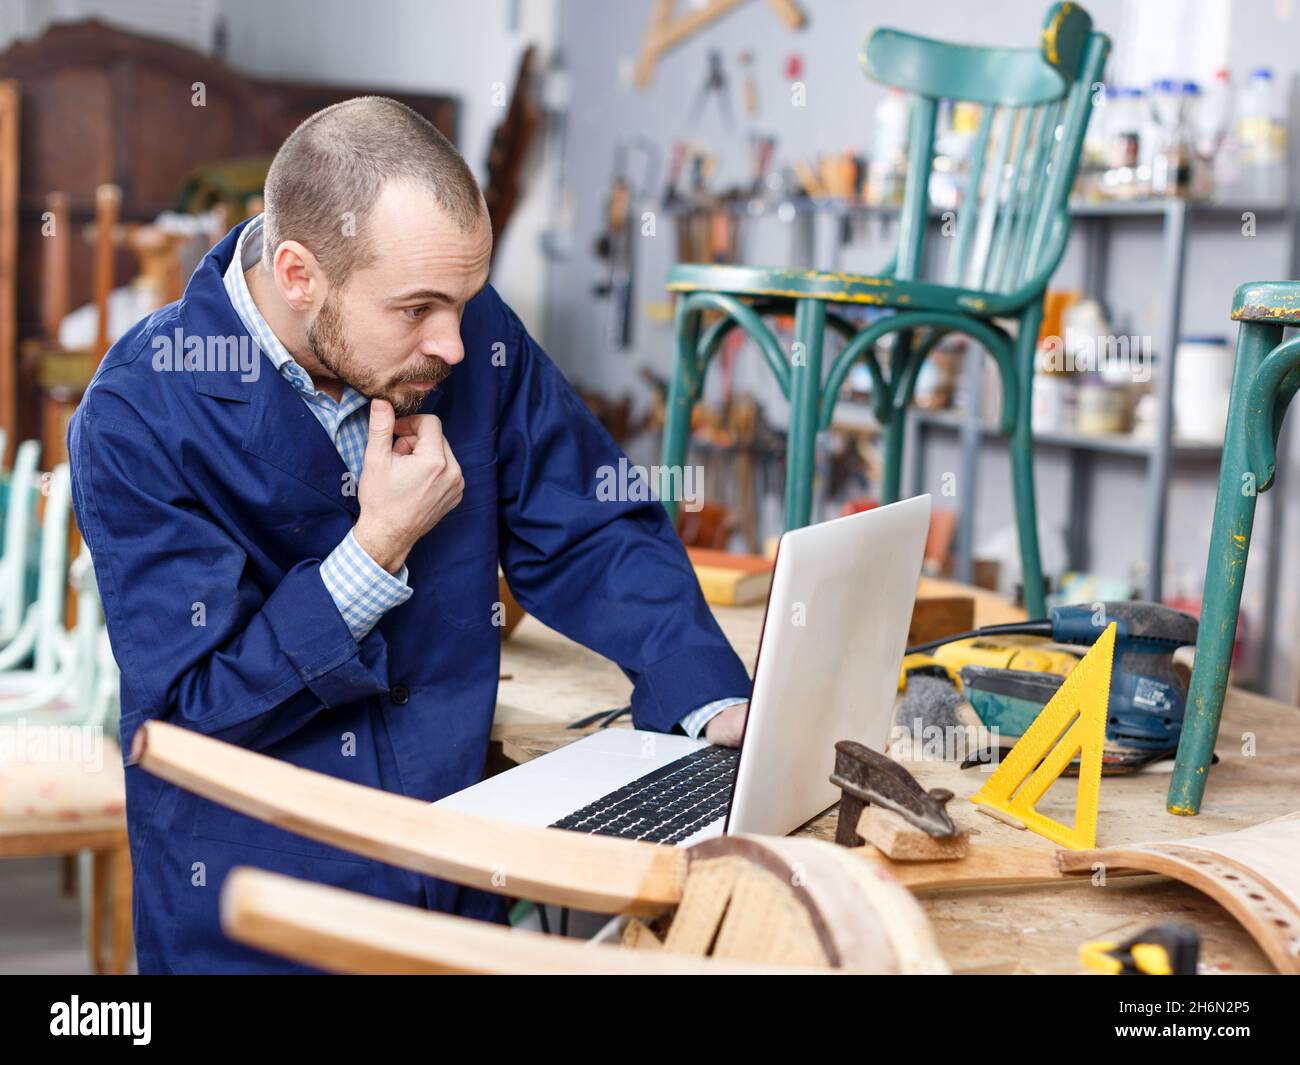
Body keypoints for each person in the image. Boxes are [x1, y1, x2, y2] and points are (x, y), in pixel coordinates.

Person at [69, 97, 750, 973]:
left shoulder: (458, 330)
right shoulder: (139, 413)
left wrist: (708, 694)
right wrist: (375, 547)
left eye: (466, 300)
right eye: (420, 308)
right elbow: (191, 717)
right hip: (262, 920)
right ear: (299, 273)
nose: (456, 344)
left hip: (454, 879)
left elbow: (592, 526)